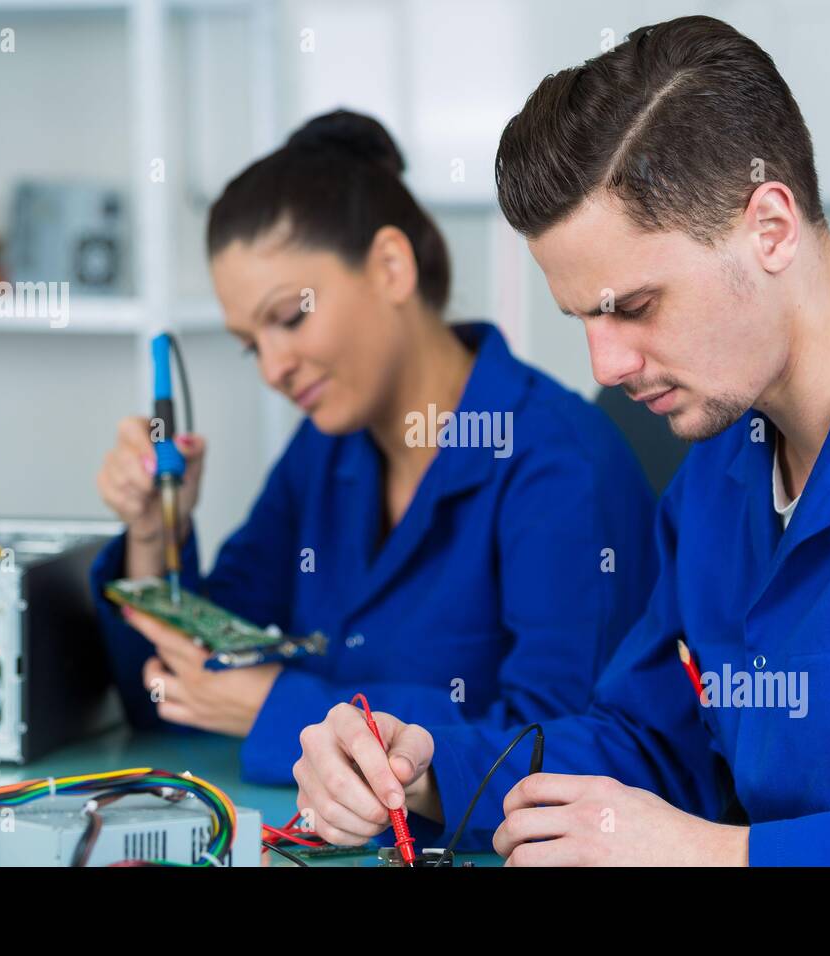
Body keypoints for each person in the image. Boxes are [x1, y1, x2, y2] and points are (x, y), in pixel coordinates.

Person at [290, 18, 830, 864]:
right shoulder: (717, 470)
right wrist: (422, 772)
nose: (605, 365)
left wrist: (727, 858)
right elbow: (648, 747)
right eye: (582, 319)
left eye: (634, 307)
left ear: (772, 229)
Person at [90, 110, 659, 785]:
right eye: (252, 346)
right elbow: (174, 695)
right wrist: (156, 534)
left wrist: (280, 708)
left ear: (391, 266)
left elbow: (563, 752)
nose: (273, 368)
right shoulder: (325, 453)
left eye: (291, 317)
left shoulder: (560, 466)